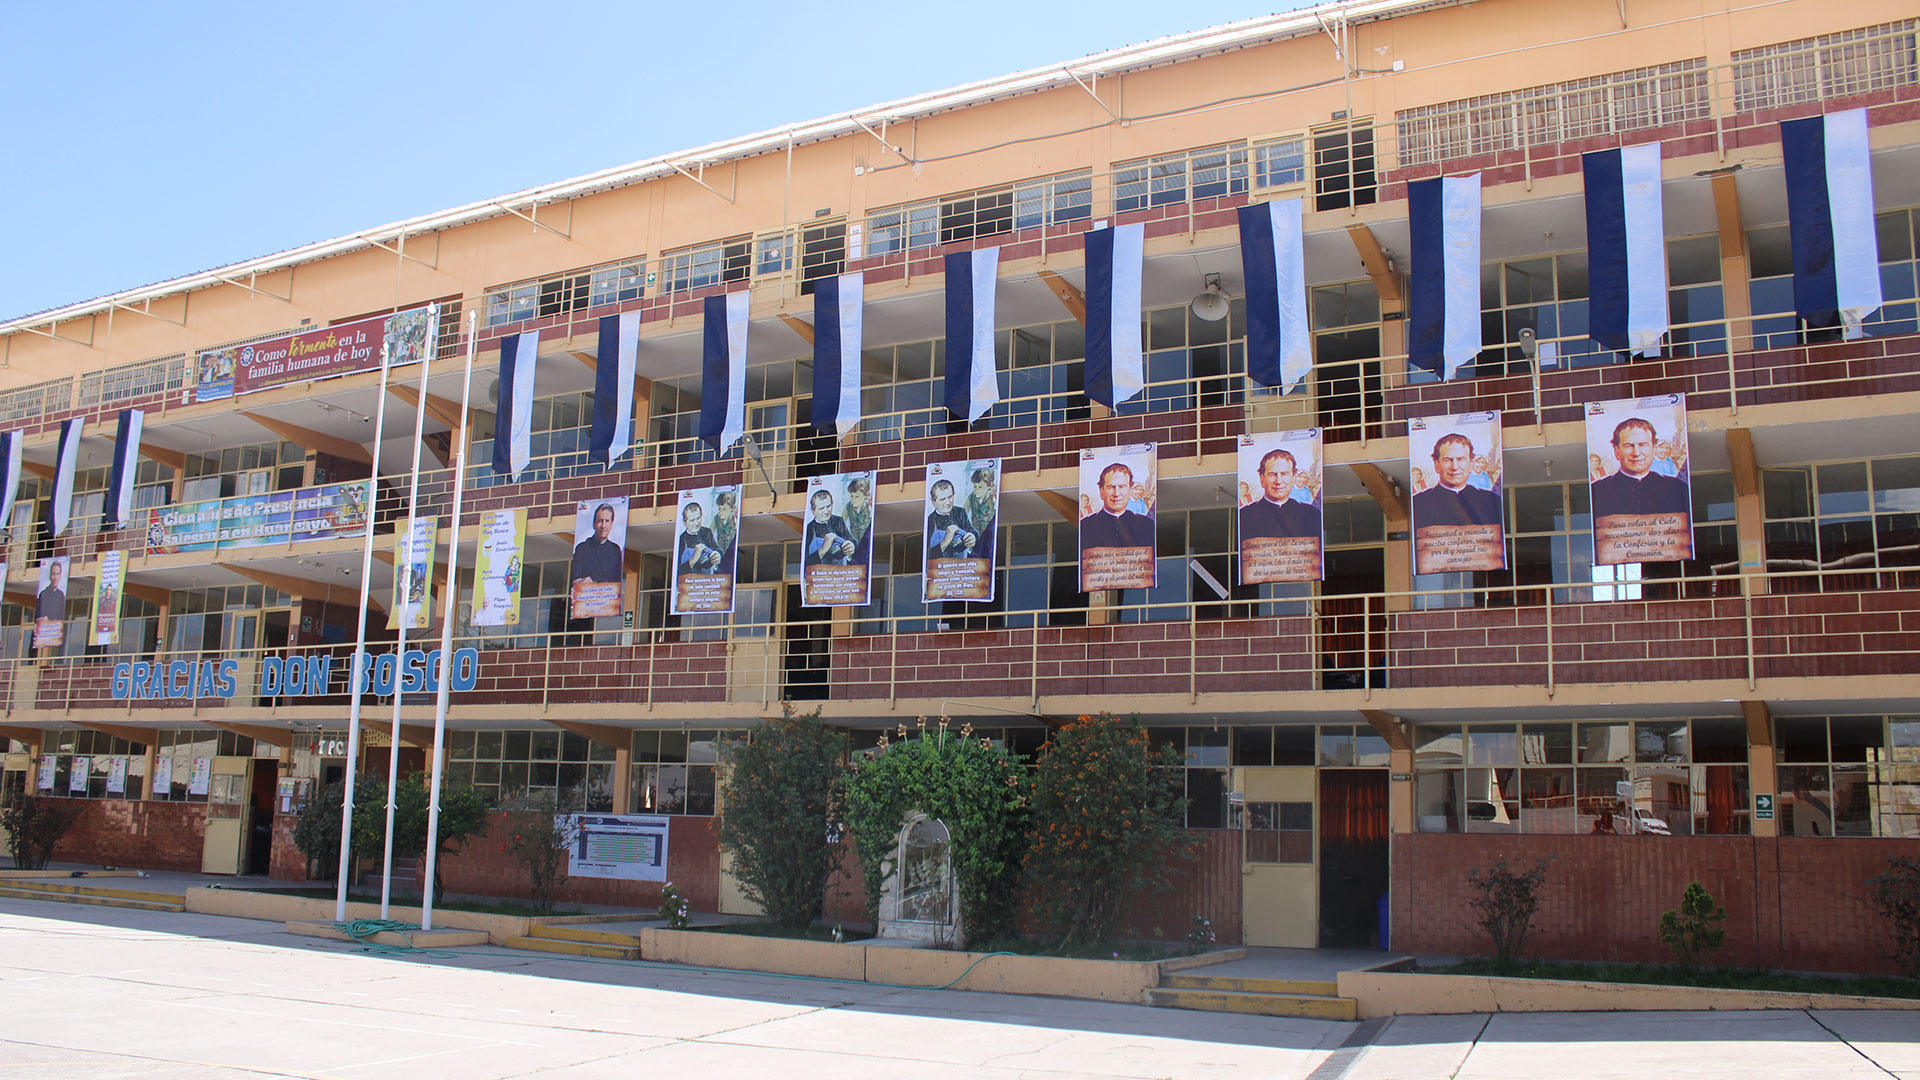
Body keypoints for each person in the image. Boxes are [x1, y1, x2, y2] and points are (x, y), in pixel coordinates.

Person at [1591, 417, 1690, 519]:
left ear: (1654, 449)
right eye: (1628, 446)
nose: (1636, 453)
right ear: (1617, 452)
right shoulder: (1597, 491)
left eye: (1643, 445)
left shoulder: (1676, 488)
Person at [1412, 433, 1502, 527]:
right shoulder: (1418, 502)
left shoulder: (1490, 500)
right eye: (1447, 460)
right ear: (1437, 465)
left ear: (1471, 464)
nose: (1455, 467)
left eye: (1461, 459)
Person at [1238, 448, 1322, 542]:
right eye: (1272, 474)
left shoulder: (1311, 514)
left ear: (1293, 478)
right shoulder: (1244, 515)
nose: (1278, 481)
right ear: (1262, 479)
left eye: (1284, 474)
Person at [1081, 462, 1155, 549]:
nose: (1116, 493)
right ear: (1102, 492)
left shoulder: (1146, 524)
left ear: (1130, 490)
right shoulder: (1085, 526)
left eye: (1122, 487)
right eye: (1111, 487)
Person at [569, 502, 624, 588]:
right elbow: (575, 579)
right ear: (594, 524)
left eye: (607, 521)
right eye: (600, 521)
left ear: (611, 524)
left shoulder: (615, 550)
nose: (603, 526)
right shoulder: (582, 548)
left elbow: (617, 580)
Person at [804, 489, 858, 566]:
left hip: (842, 570)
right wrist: (824, 548)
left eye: (828, 506)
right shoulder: (809, 529)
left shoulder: (838, 521)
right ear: (813, 511)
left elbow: (850, 539)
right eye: (821, 508)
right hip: (821, 574)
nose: (826, 511)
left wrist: (851, 545)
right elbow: (806, 562)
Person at [926, 479, 977, 560]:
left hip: (963, 565)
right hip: (942, 568)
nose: (948, 502)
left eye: (950, 497)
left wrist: (973, 537)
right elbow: (928, 555)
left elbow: (971, 531)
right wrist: (947, 539)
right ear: (933, 502)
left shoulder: (960, 512)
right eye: (942, 499)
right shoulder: (929, 521)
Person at [676, 501, 723, 575]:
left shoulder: (707, 532)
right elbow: (678, 571)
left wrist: (718, 555)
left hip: (709, 579)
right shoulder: (681, 540)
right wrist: (695, 557)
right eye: (692, 520)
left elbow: (716, 548)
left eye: (698, 518)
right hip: (690, 582)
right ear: (685, 522)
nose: (696, 523)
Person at [710, 489, 739, 574]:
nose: (721, 512)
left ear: (731, 509)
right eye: (720, 509)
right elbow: (709, 532)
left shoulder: (734, 519)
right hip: (720, 553)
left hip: (730, 554)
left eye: (724, 509)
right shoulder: (717, 518)